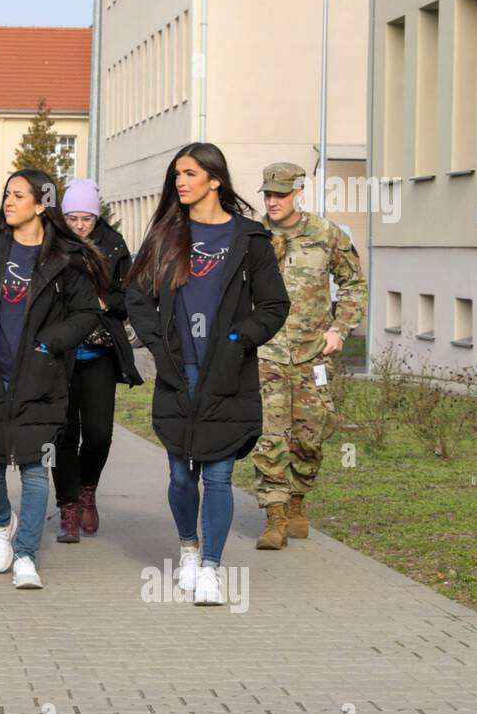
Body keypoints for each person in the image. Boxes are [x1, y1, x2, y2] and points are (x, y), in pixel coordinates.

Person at [125, 143, 290, 606]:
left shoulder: (250, 239)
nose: (180, 181)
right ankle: (188, 550)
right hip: (180, 372)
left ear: (214, 179)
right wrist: (158, 343)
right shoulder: (164, 236)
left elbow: (275, 305)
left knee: (217, 475)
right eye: (177, 173)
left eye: (190, 173)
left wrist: (240, 340)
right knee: (181, 475)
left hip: (228, 373)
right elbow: (135, 296)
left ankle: (213, 569)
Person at [0, 168, 105, 590]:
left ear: (41, 205)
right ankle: (2, 525)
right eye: (7, 194)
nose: (9, 201)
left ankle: (26, 555)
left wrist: (49, 345)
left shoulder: (65, 258)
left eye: (19, 195)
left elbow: (87, 312)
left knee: (36, 469)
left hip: (42, 379)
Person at [252, 162, 366, 549]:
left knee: (310, 435)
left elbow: (353, 284)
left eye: (280, 195)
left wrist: (339, 330)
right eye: (268, 194)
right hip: (265, 352)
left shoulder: (325, 234)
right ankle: (274, 515)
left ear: (298, 192)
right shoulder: (252, 236)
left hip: (311, 354)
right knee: (270, 435)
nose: (273, 202)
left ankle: (298, 499)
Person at [51, 178, 143, 542]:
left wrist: (104, 303)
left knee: (99, 435)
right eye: (72, 217)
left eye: (85, 218)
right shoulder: (52, 243)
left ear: (96, 216)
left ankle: (88, 489)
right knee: (63, 435)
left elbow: (129, 299)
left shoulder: (114, 246)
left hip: (100, 352)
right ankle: (68, 508)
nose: (79, 226)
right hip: (62, 354)